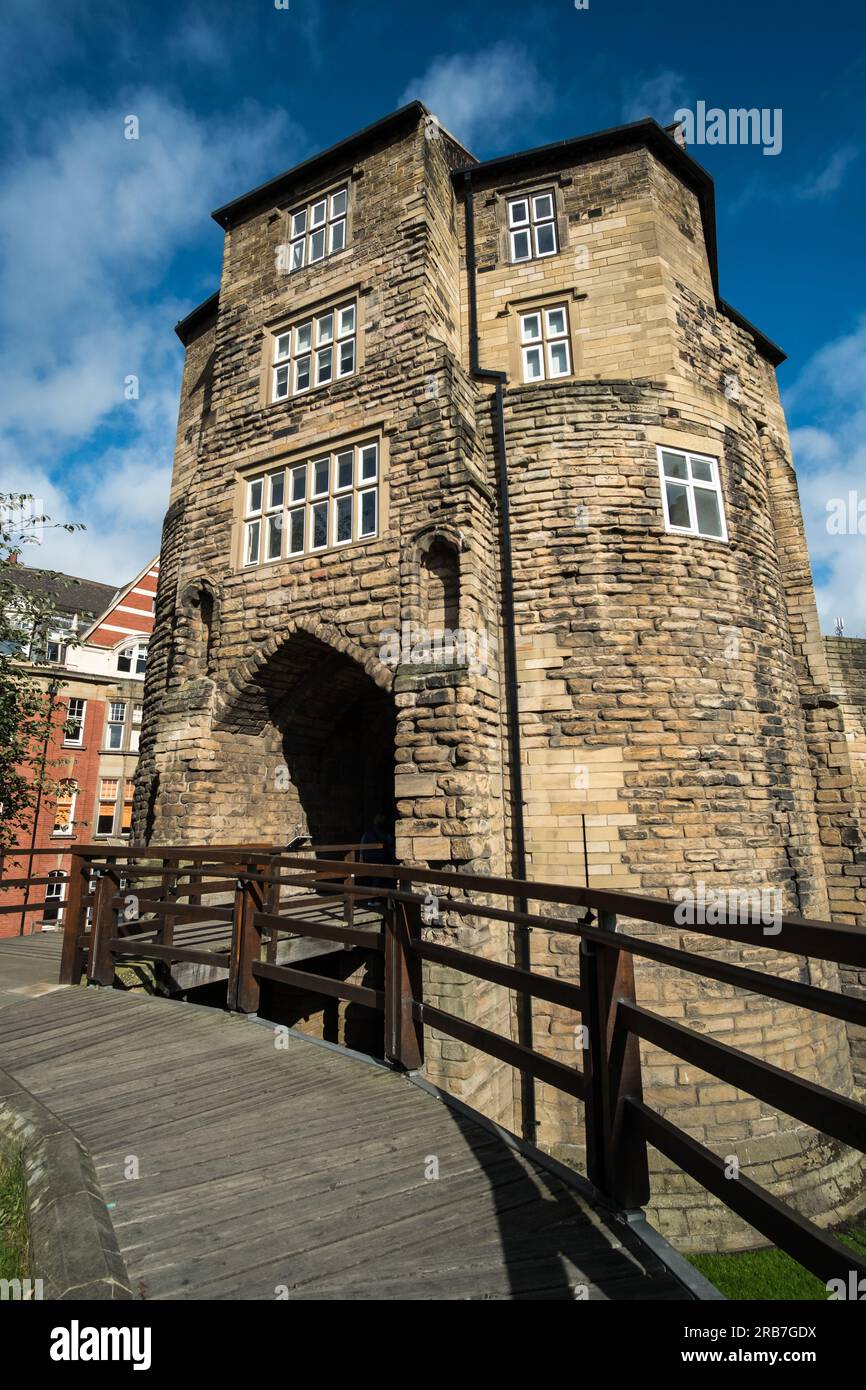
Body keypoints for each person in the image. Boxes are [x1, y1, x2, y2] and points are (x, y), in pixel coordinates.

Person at [359, 813, 396, 904]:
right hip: (381, 860)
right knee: (378, 880)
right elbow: (391, 848)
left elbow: (362, 848)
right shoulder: (386, 834)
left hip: (370, 859)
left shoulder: (367, 834)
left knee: (373, 880)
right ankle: (374, 899)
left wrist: (361, 859)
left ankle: (375, 898)